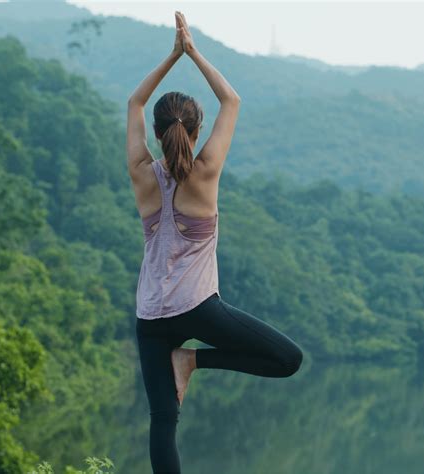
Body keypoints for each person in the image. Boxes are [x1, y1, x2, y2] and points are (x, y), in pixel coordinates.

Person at [127, 11, 303, 474]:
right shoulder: (205, 172)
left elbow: (133, 103)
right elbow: (232, 99)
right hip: (197, 306)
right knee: (288, 359)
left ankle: (185, 360)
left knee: (163, 422)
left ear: (160, 134)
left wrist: (170, 57)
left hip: (150, 315)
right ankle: (194, 360)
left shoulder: (142, 173)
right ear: (196, 131)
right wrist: (192, 50)